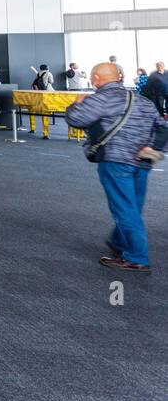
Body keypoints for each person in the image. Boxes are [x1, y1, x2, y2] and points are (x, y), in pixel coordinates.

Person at [64, 62, 168, 271]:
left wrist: (76, 103)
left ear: (95, 79)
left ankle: (137, 257)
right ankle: (119, 243)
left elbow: (75, 119)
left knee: (124, 209)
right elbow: (163, 127)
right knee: (133, 207)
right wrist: (151, 147)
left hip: (116, 161)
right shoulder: (141, 100)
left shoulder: (101, 99)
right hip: (143, 161)